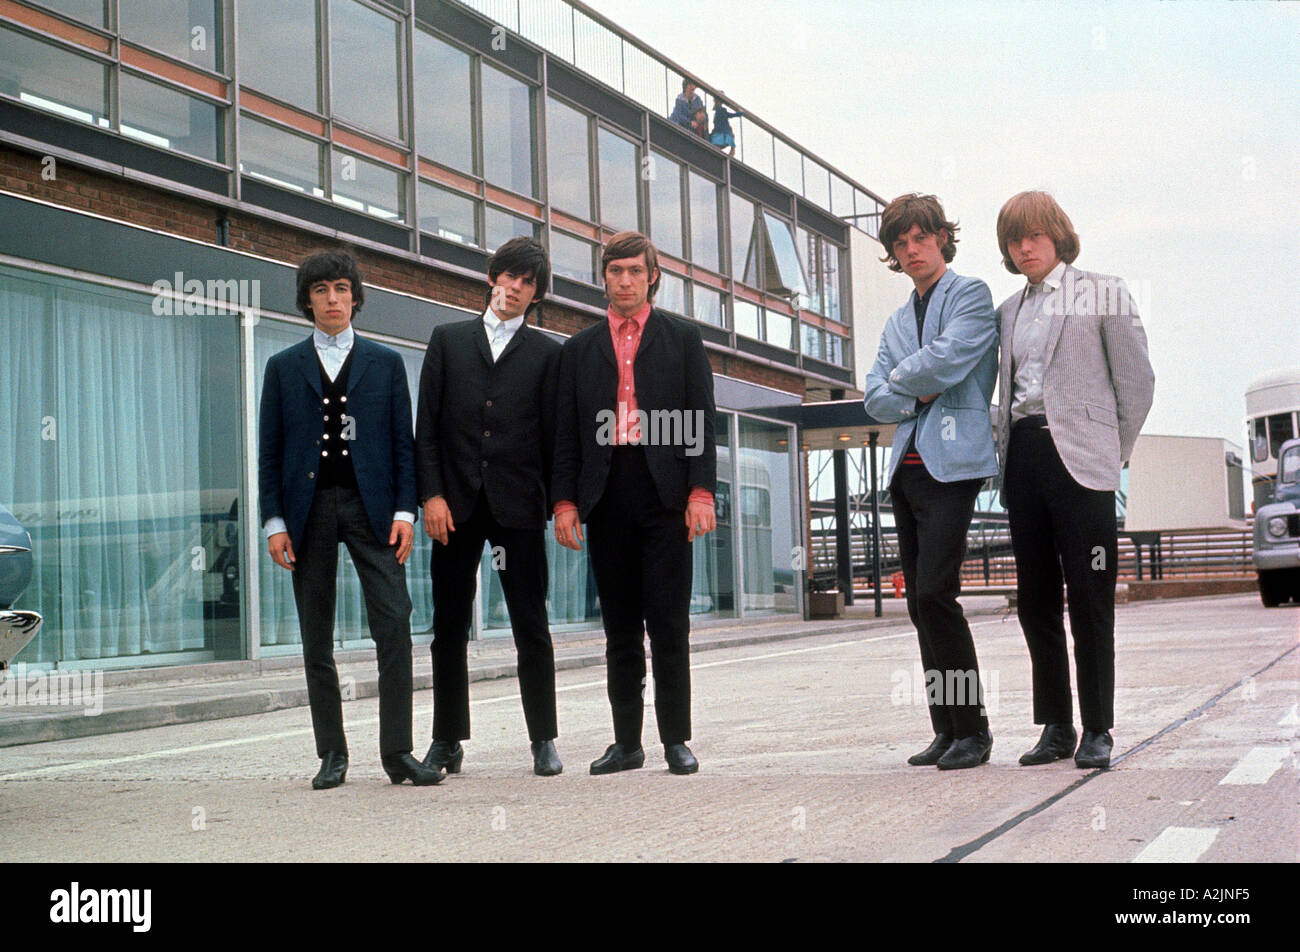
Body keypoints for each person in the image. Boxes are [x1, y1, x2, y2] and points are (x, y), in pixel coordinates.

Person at [259, 251, 441, 789]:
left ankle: (397, 753)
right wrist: (274, 522)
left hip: (375, 512)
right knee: (316, 637)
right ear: (307, 300)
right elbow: (270, 450)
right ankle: (332, 754)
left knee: (395, 627)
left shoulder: (383, 363)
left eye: (341, 288)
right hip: (307, 513)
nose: (332, 299)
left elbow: (403, 448)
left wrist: (406, 512)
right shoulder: (282, 366)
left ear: (355, 297)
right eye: (320, 290)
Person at [994, 191, 1154, 770]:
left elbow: (1137, 381)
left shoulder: (1102, 292)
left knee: (1089, 596)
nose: (1025, 246)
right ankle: (1056, 727)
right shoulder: (1007, 310)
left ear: (1057, 235)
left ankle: (1098, 729)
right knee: (1036, 599)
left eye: (1034, 235)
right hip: (1024, 460)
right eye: (1014, 239)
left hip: (1083, 463)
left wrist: (1113, 453)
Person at [551, 231, 717, 776]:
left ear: (652, 278)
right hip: (606, 494)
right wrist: (565, 503)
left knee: (669, 623)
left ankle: (676, 740)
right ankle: (627, 743)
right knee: (620, 627)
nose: (625, 280)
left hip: (665, 494)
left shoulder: (682, 339)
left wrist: (700, 492)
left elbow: (700, 420)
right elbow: (568, 435)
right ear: (604, 277)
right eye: (615, 271)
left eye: (634, 272)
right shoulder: (578, 350)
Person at [414, 237, 563, 778]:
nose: (516, 288)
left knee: (532, 624)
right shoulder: (448, 340)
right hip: (452, 507)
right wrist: (430, 495)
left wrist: (545, 500)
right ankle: (447, 741)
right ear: (492, 277)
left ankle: (543, 738)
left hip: (518, 509)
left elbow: (556, 438)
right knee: (448, 627)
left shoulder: (550, 354)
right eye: (510, 276)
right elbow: (425, 426)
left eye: (528, 283)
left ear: (536, 295)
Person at [863, 194, 999, 770]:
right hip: (907, 472)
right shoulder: (897, 319)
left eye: (921, 237)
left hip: (954, 467)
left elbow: (951, 359)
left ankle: (976, 730)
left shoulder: (970, 294)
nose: (912, 248)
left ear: (942, 237)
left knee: (935, 594)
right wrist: (910, 383)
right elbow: (873, 397)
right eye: (901, 242)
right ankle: (945, 728)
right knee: (920, 606)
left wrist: (905, 379)